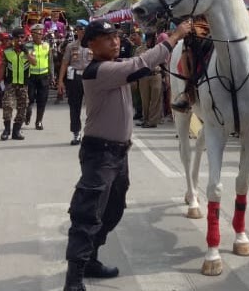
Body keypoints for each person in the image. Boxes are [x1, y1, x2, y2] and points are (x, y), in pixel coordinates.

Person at [62, 19, 191, 291]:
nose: (115, 41)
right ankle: (73, 281)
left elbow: (139, 65)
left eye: (116, 37)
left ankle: (91, 260)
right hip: (101, 154)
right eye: (107, 38)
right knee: (87, 215)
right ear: (91, 44)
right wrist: (175, 36)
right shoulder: (98, 70)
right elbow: (139, 65)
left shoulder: (114, 67)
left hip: (118, 154)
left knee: (112, 210)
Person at [57, 23, 92, 144]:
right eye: (79, 30)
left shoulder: (93, 44)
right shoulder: (71, 46)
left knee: (93, 107)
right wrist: (60, 81)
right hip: (75, 77)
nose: (81, 32)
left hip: (90, 78)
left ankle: (91, 133)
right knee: (74, 106)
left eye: (83, 29)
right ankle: (76, 133)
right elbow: (65, 63)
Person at [0, 32, 35, 141]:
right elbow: (3, 67)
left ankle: (16, 131)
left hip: (23, 84)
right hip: (11, 83)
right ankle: (6, 130)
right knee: (7, 105)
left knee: (23, 107)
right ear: (13, 39)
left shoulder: (29, 50)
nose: (19, 39)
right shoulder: (7, 52)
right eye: (17, 37)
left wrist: (26, 53)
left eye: (22, 37)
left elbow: (34, 63)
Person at [134, 33, 164, 129]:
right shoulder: (140, 50)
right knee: (145, 100)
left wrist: (166, 77)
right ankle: (146, 119)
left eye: (153, 38)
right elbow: (135, 63)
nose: (152, 40)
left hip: (156, 75)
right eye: (150, 39)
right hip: (144, 76)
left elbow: (164, 63)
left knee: (155, 99)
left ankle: (152, 121)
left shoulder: (159, 49)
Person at [26, 23, 52, 130]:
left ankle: (39, 121)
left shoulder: (46, 45)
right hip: (31, 76)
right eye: (36, 33)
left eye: (40, 33)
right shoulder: (28, 46)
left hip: (44, 76)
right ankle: (28, 112)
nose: (38, 35)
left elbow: (50, 61)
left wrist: (52, 75)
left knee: (42, 99)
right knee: (30, 98)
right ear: (32, 34)